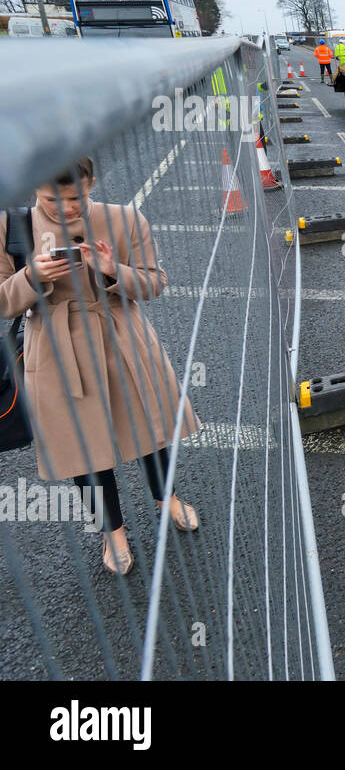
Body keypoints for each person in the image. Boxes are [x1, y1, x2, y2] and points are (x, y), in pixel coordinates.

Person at [0, 159, 200, 576]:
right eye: (50, 198)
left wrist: (113, 271)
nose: (65, 208)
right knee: (82, 447)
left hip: (121, 333)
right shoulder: (8, 229)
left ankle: (167, 499)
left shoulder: (126, 219)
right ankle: (114, 533)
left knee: (150, 427)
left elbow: (154, 282)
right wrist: (32, 277)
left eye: (76, 198)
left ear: (91, 183)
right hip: (56, 346)